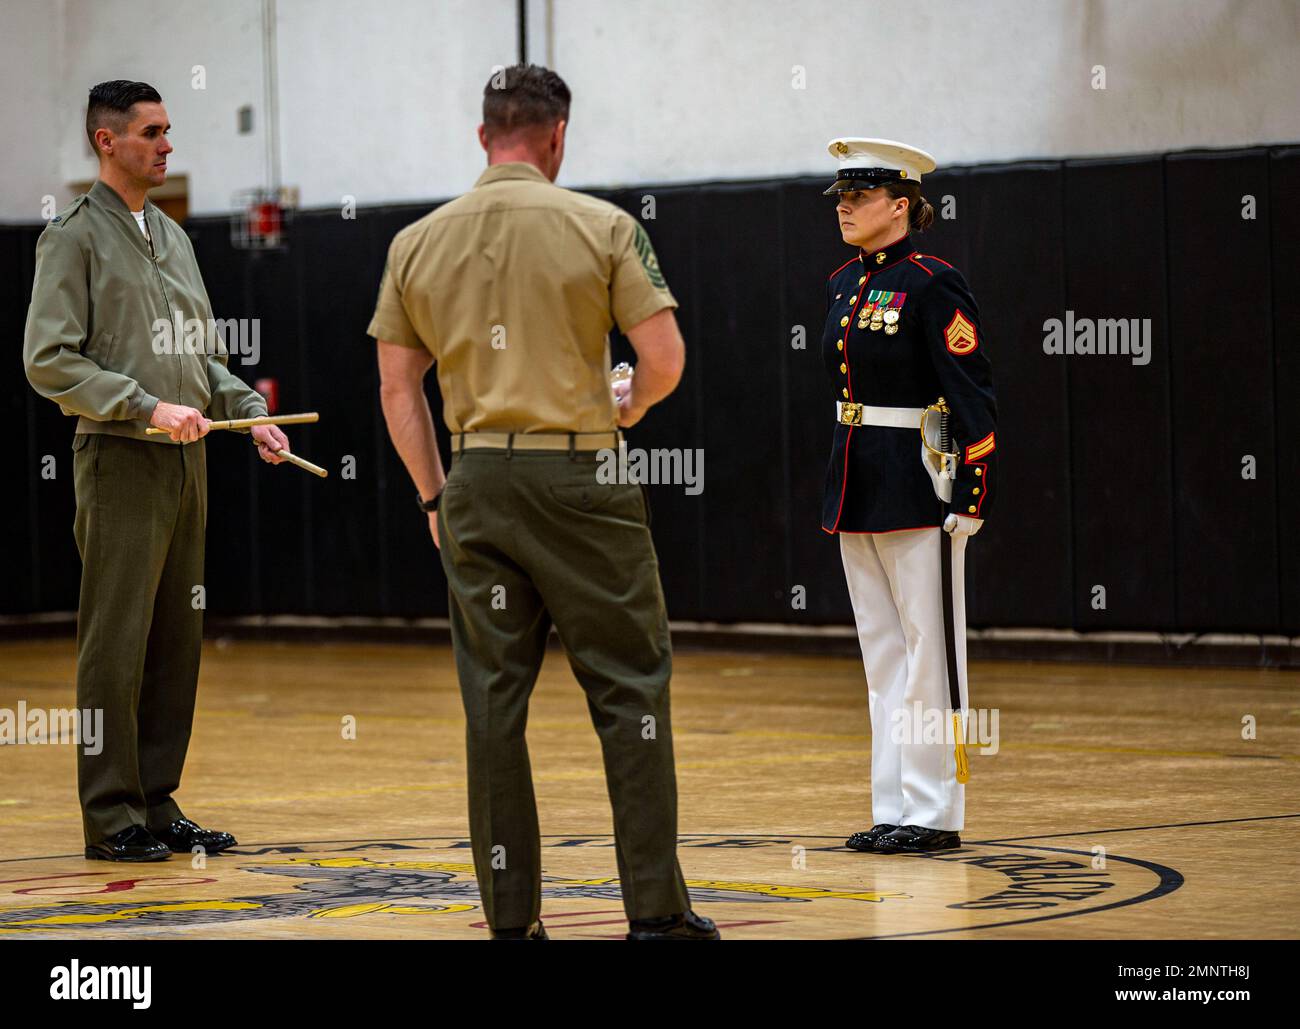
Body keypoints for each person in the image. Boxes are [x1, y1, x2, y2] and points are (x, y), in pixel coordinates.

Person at [367, 64, 718, 940]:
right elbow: (664, 356)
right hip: (583, 478)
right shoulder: (603, 227)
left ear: (483, 134)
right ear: (558, 136)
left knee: (492, 706)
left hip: (475, 481)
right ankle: (654, 915)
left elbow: (397, 388)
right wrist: (626, 404)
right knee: (629, 689)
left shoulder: (415, 243)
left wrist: (432, 497)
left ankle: (513, 924)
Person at [23, 80, 291, 862]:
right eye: (151, 132)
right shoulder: (69, 238)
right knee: (117, 642)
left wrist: (249, 411)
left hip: (190, 461)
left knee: (178, 636)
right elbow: (48, 360)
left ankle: (157, 798)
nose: (167, 145)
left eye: (169, 130)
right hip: (119, 459)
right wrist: (142, 405)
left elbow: (200, 357)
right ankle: (110, 812)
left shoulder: (174, 238)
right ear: (107, 141)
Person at [818, 138, 998, 854]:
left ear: (900, 205)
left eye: (858, 198)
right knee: (882, 652)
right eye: (840, 199)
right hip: (857, 476)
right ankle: (894, 803)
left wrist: (973, 487)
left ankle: (933, 810)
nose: (845, 210)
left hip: (918, 480)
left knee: (930, 649)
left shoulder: (933, 283)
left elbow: (972, 391)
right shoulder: (841, 283)